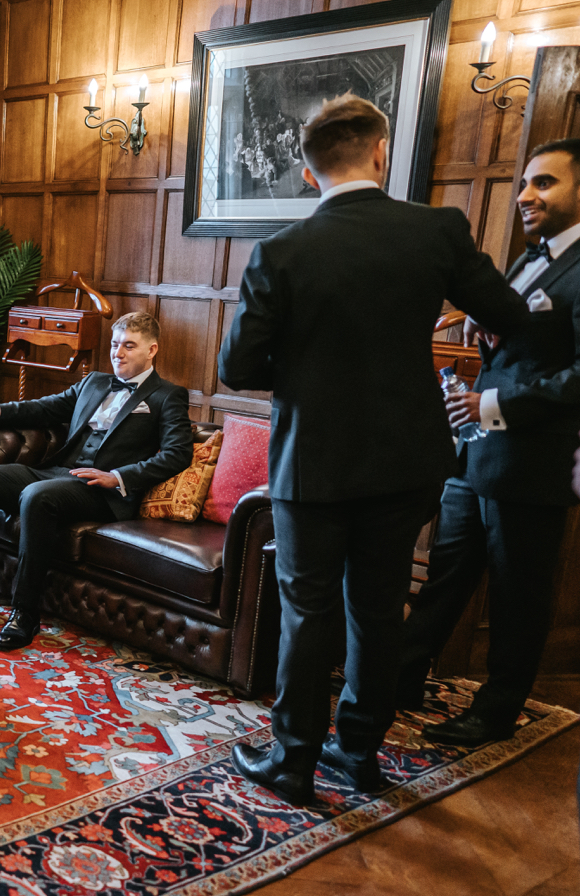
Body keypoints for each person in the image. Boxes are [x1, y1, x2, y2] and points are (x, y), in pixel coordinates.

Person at [218, 94, 529, 805]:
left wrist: (301, 375)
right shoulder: (438, 230)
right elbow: (509, 314)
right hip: (406, 460)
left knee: (309, 611)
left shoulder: (282, 252)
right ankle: (358, 753)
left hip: (314, 462)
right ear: (381, 153)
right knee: (379, 609)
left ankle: (293, 760)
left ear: (306, 171)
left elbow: (236, 369)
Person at [398, 139, 580, 747]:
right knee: (446, 574)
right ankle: (399, 676)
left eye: (545, 183)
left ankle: (497, 711)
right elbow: (524, 335)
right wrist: (484, 327)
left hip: (533, 462)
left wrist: (495, 403)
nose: (526, 195)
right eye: (526, 182)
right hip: (475, 452)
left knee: (516, 595)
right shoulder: (531, 259)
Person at [0, 311, 193, 651]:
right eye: (114, 344)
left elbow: (178, 453)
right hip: (59, 471)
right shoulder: (93, 381)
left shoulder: (168, 396)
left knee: (37, 496)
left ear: (152, 350)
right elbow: (45, 408)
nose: (118, 353)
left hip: (103, 490)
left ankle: (25, 612)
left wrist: (118, 477)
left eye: (129, 346)